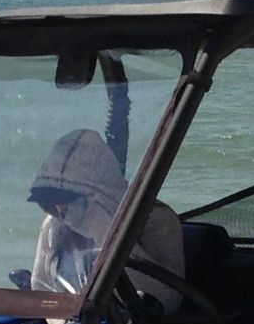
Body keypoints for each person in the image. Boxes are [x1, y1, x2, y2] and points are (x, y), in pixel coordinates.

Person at [28, 128, 184, 313]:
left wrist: (106, 231)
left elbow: (168, 302)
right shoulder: (54, 226)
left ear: (96, 195)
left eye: (67, 200)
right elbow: (42, 289)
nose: (60, 211)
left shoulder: (156, 220)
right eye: (49, 202)